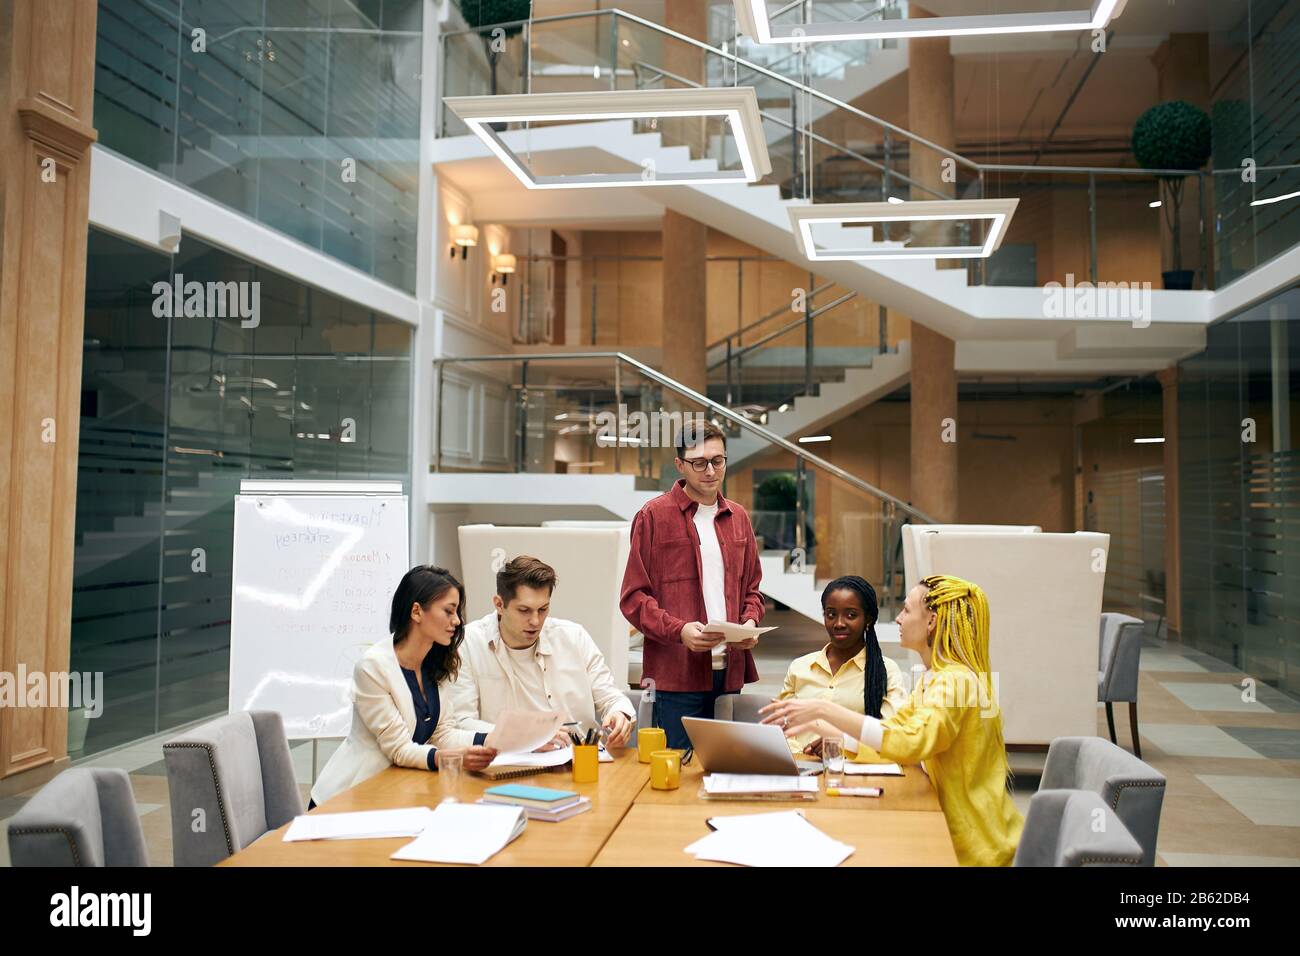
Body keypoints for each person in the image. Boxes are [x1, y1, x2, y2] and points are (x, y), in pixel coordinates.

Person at [759, 574, 1024, 866]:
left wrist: (825, 711)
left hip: (972, 847)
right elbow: (896, 733)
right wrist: (836, 737)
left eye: (907, 610)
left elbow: (909, 743)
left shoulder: (955, 683)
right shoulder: (936, 678)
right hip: (949, 831)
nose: (898, 619)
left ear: (932, 621)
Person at [620, 421, 765, 749]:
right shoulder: (653, 516)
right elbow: (633, 597)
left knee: (727, 769)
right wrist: (679, 630)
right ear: (680, 465)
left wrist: (750, 622)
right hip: (676, 677)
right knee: (677, 771)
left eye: (718, 461)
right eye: (699, 463)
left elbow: (753, 588)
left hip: (729, 672)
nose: (710, 471)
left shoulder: (738, 517)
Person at [310, 566, 497, 808]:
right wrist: (449, 758)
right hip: (349, 798)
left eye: (457, 612)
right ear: (417, 611)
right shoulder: (373, 667)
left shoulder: (435, 664)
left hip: (397, 791)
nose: (457, 621)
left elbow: (442, 734)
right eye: (449, 611)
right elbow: (398, 749)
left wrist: (497, 739)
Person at [450, 555, 636, 748]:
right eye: (524, 610)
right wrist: (526, 735)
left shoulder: (574, 637)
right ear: (499, 604)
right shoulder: (469, 643)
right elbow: (461, 723)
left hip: (581, 759)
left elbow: (612, 697)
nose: (535, 621)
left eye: (543, 609)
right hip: (509, 765)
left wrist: (620, 714)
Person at [777, 575, 908, 756]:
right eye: (831, 614)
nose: (839, 623)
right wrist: (802, 754)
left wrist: (842, 746)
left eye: (851, 615)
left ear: (868, 619)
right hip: (800, 770)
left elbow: (892, 735)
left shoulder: (887, 670)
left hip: (854, 773)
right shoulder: (799, 667)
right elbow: (782, 727)